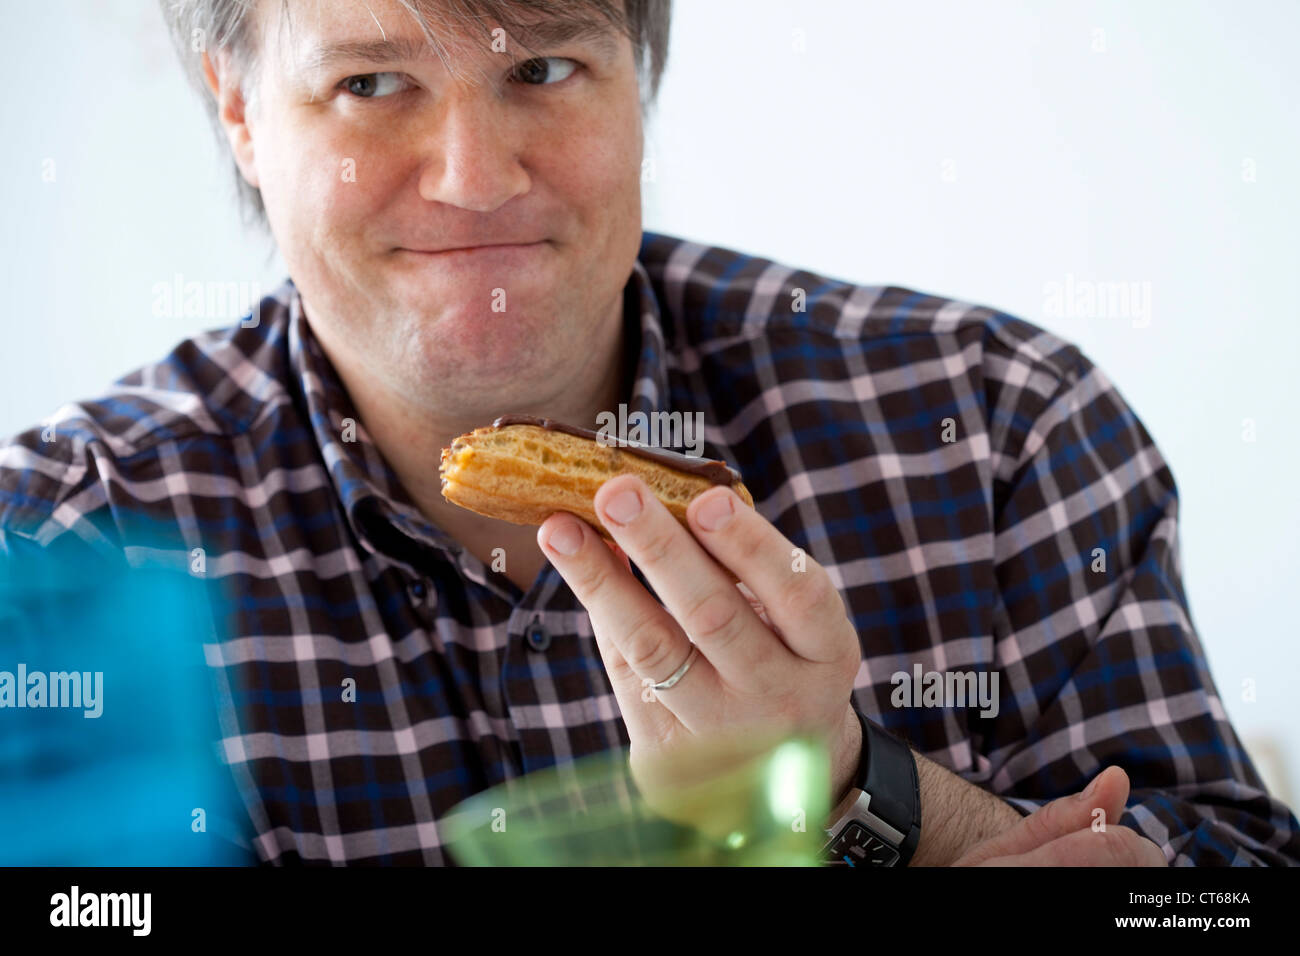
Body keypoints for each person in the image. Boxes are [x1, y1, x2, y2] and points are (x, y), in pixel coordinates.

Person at [1, 0, 1295, 866]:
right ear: (238, 110)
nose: (474, 176)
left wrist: (857, 789)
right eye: (372, 82)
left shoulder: (1001, 430)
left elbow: (1220, 877)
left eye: (543, 68)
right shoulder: (53, 556)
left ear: (640, 80)